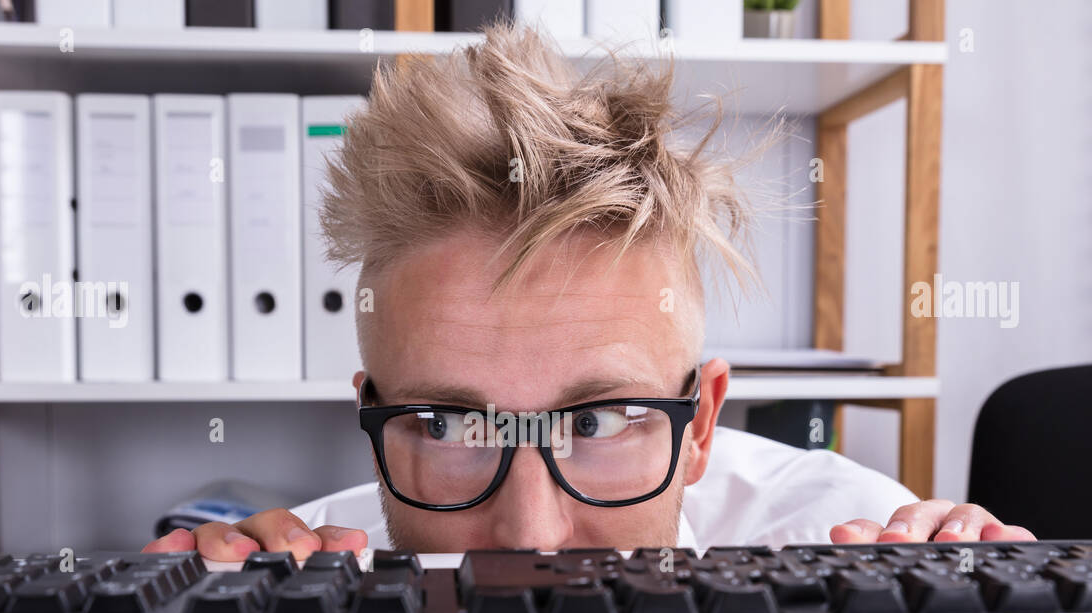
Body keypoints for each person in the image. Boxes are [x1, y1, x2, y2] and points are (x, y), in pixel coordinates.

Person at [145, 24, 1033, 562]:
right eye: (451, 426)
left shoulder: (853, 538)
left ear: (702, 425)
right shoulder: (304, 567)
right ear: (374, 431)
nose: (530, 533)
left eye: (599, 420)